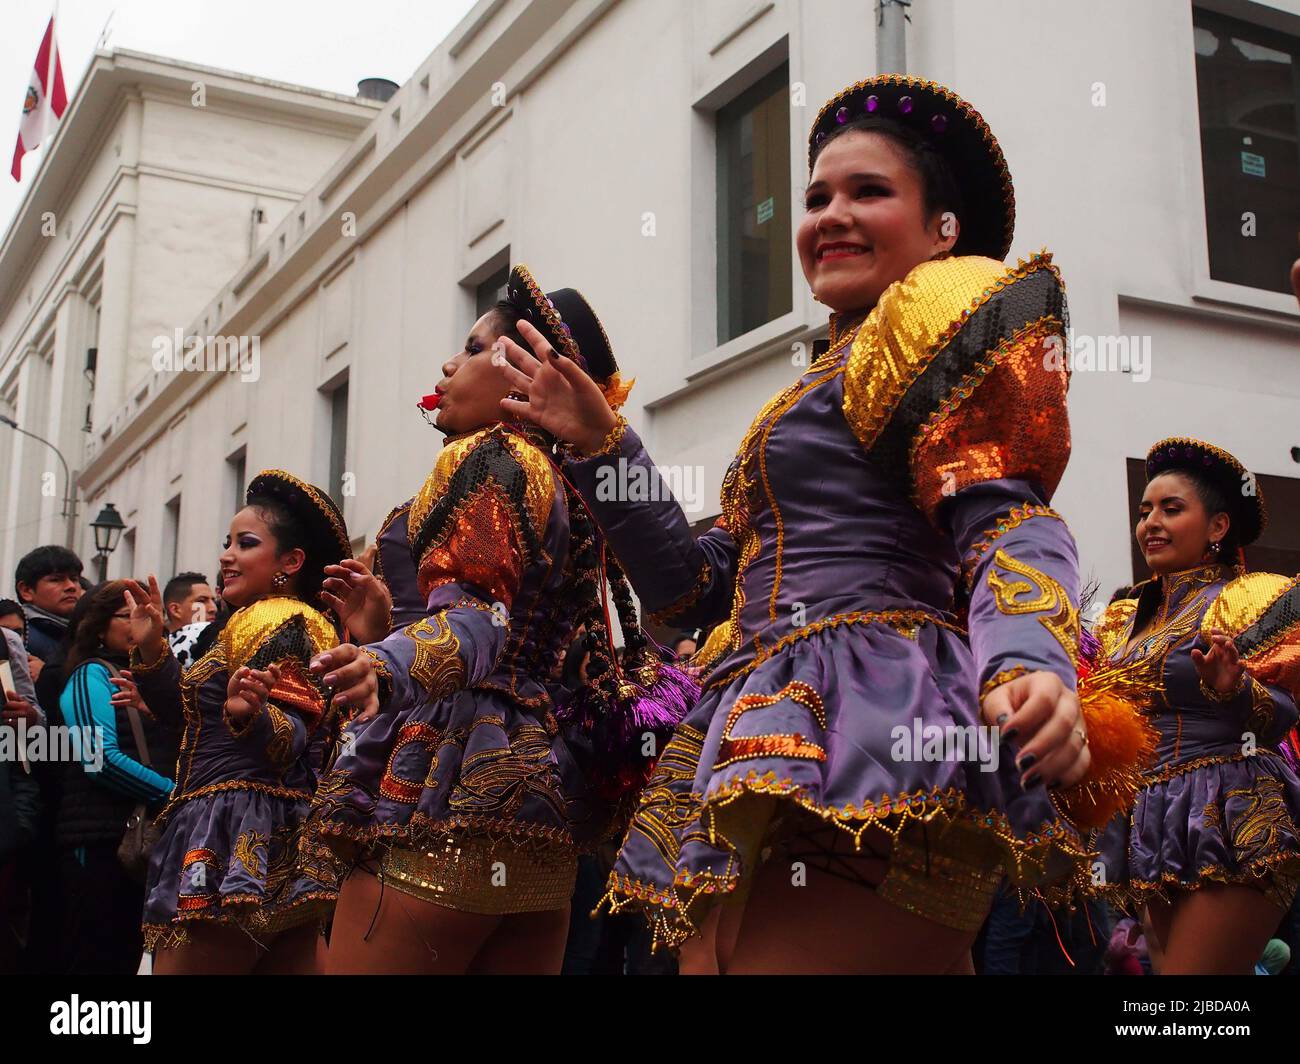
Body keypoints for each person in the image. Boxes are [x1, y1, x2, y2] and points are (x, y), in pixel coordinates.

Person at [497, 75, 1149, 974]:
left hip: (879, 721)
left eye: (869, 193)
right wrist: (605, 446)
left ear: (943, 230)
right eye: (816, 199)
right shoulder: (811, 387)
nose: (831, 216)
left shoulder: (934, 316)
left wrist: (1030, 660)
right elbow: (694, 587)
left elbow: (1009, 519)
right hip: (768, 712)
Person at [306, 266, 690, 975]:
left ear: (526, 375)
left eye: (477, 347)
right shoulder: (567, 476)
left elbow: (479, 619)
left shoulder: (491, 454)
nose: (450, 364)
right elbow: (513, 627)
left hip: (445, 787)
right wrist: (384, 626)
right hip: (536, 809)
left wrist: (384, 663)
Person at [124, 470, 377, 975]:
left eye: (246, 543)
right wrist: (154, 651)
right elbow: (199, 728)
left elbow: (291, 737)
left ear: (290, 562)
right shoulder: (252, 621)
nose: (226, 555)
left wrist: (257, 717)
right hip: (269, 828)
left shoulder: (281, 617)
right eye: (227, 542)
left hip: (232, 831)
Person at [1091, 438, 1300, 974]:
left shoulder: (1254, 596)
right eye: (1144, 512)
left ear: (1218, 527)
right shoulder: (1122, 617)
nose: (1150, 524)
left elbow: (1279, 716)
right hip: (1149, 819)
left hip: (1231, 806)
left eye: (1171, 509)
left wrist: (1233, 687)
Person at [46, 581, 175, 974]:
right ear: (99, 627)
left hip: (141, 838)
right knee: (96, 955)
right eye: (127, 615)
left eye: (150, 614)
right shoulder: (90, 676)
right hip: (101, 840)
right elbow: (99, 758)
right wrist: (174, 794)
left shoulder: (151, 676)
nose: (141, 621)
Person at [14, 546, 84, 668]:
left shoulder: (87, 633)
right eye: (56, 580)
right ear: (26, 590)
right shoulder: (18, 636)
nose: (71, 586)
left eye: (74, 579)